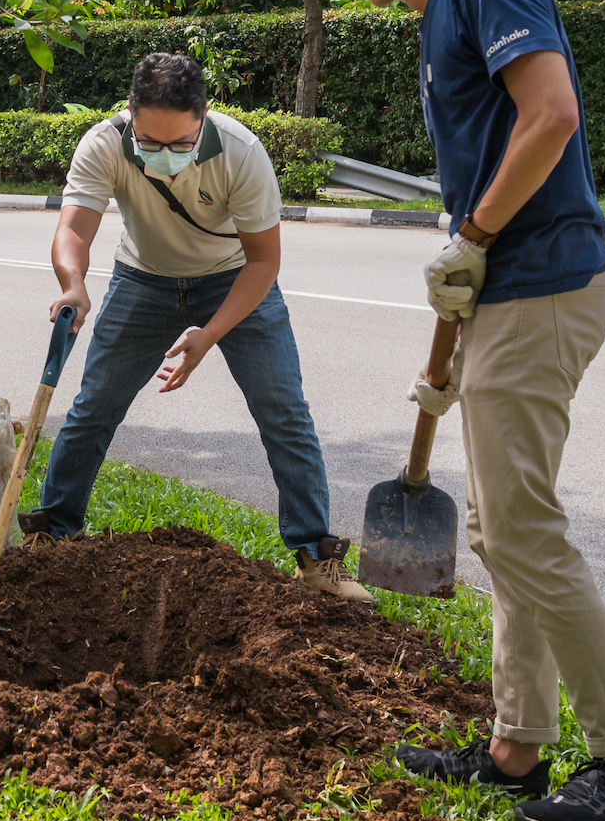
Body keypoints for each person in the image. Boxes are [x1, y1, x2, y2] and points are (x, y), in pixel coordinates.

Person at [291, 0, 605, 821]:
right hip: (503, 291)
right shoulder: (437, 19)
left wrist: (473, 235)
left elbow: (550, 115)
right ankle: (516, 744)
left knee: (524, 531)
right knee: (498, 532)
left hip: (540, 284)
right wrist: (465, 253)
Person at [24, 52, 370, 602]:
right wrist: (73, 283)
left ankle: (315, 560)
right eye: (149, 142)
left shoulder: (241, 152)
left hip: (232, 281)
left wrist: (210, 334)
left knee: (284, 410)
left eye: (180, 144)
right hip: (142, 279)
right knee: (94, 407)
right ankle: (55, 534)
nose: (164, 156)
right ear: (131, 115)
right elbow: (74, 230)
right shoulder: (105, 144)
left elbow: (263, 263)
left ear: (203, 118)